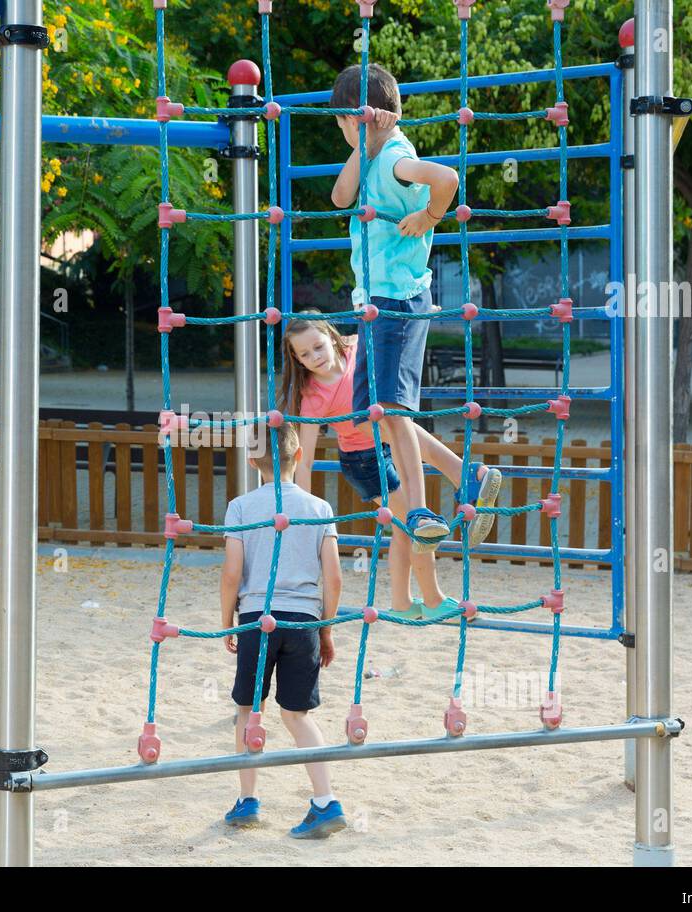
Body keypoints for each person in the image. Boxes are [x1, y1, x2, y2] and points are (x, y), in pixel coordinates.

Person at [329, 63, 503, 556]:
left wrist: (429, 215)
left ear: (357, 120)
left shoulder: (397, 161)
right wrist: (364, 143)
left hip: (397, 301)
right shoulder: (373, 155)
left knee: (390, 410)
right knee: (374, 414)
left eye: (344, 122)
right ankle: (468, 474)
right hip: (376, 303)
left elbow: (446, 177)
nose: (343, 133)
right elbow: (340, 197)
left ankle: (423, 508)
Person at [280, 315, 503, 620]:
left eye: (318, 347)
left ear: (332, 337)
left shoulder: (354, 347)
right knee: (415, 527)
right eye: (304, 354)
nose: (315, 357)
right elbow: (304, 461)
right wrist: (303, 509)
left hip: (385, 445)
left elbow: (388, 333)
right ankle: (435, 600)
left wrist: (418, 313)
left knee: (401, 527)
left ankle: (401, 603)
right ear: (296, 357)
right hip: (364, 464)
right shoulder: (314, 397)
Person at [220, 423, 346, 838]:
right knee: (297, 714)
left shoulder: (241, 507)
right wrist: (326, 629)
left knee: (247, 710)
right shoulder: (319, 508)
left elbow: (231, 573)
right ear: (300, 458)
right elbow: (335, 578)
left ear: (251, 461)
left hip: (258, 618)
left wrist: (227, 622)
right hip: (304, 622)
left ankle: (248, 801)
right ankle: (326, 801)